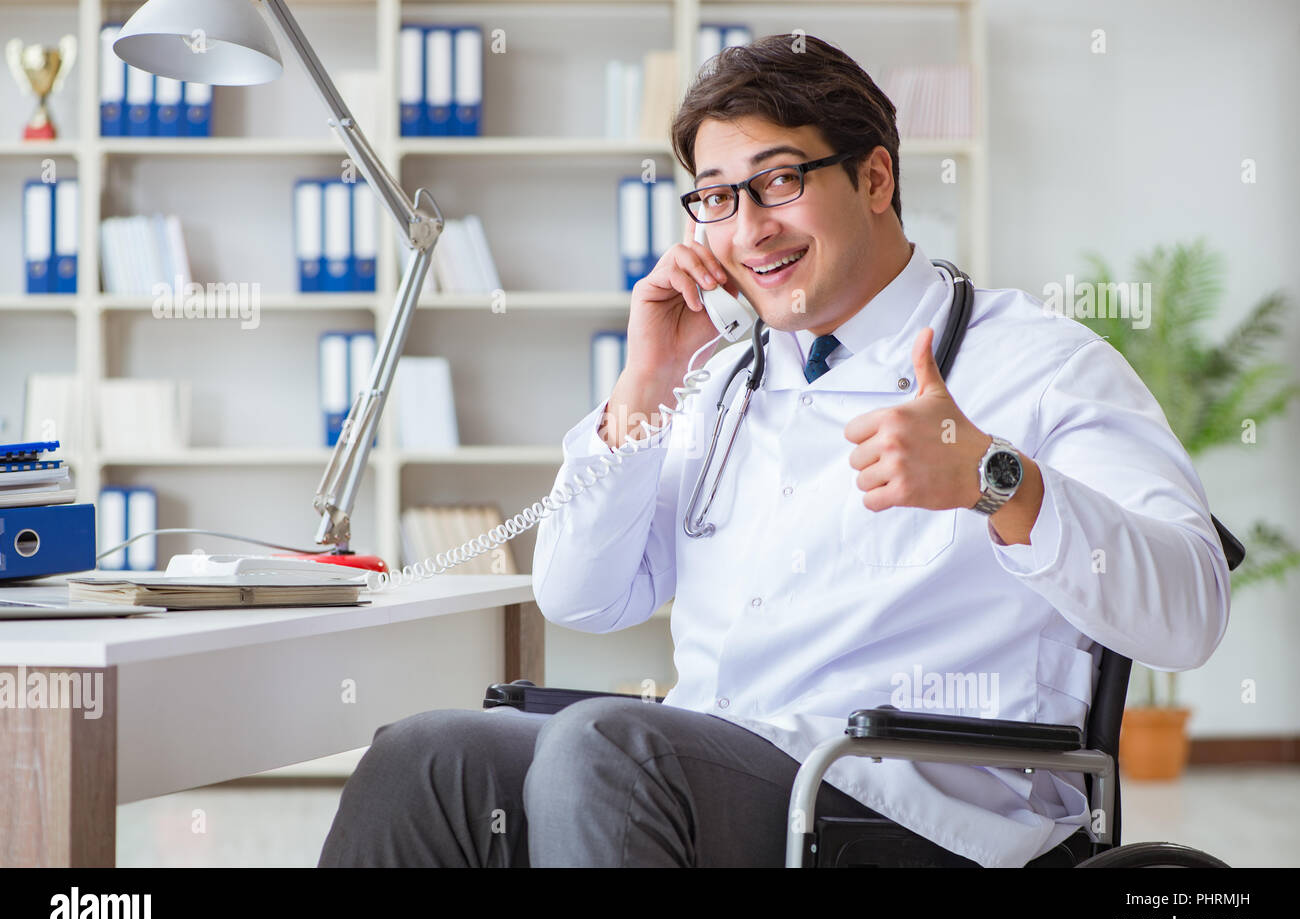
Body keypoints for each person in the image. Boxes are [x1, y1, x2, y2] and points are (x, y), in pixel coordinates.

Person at [318, 34, 1230, 868]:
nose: (749, 228)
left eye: (780, 180)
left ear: (875, 179)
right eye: (717, 196)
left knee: (609, 749)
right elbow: (580, 595)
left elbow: (1189, 610)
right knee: (426, 757)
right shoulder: (727, 380)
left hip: (918, 805)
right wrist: (643, 390)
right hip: (716, 771)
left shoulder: (1039, 364)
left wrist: (998, 481)